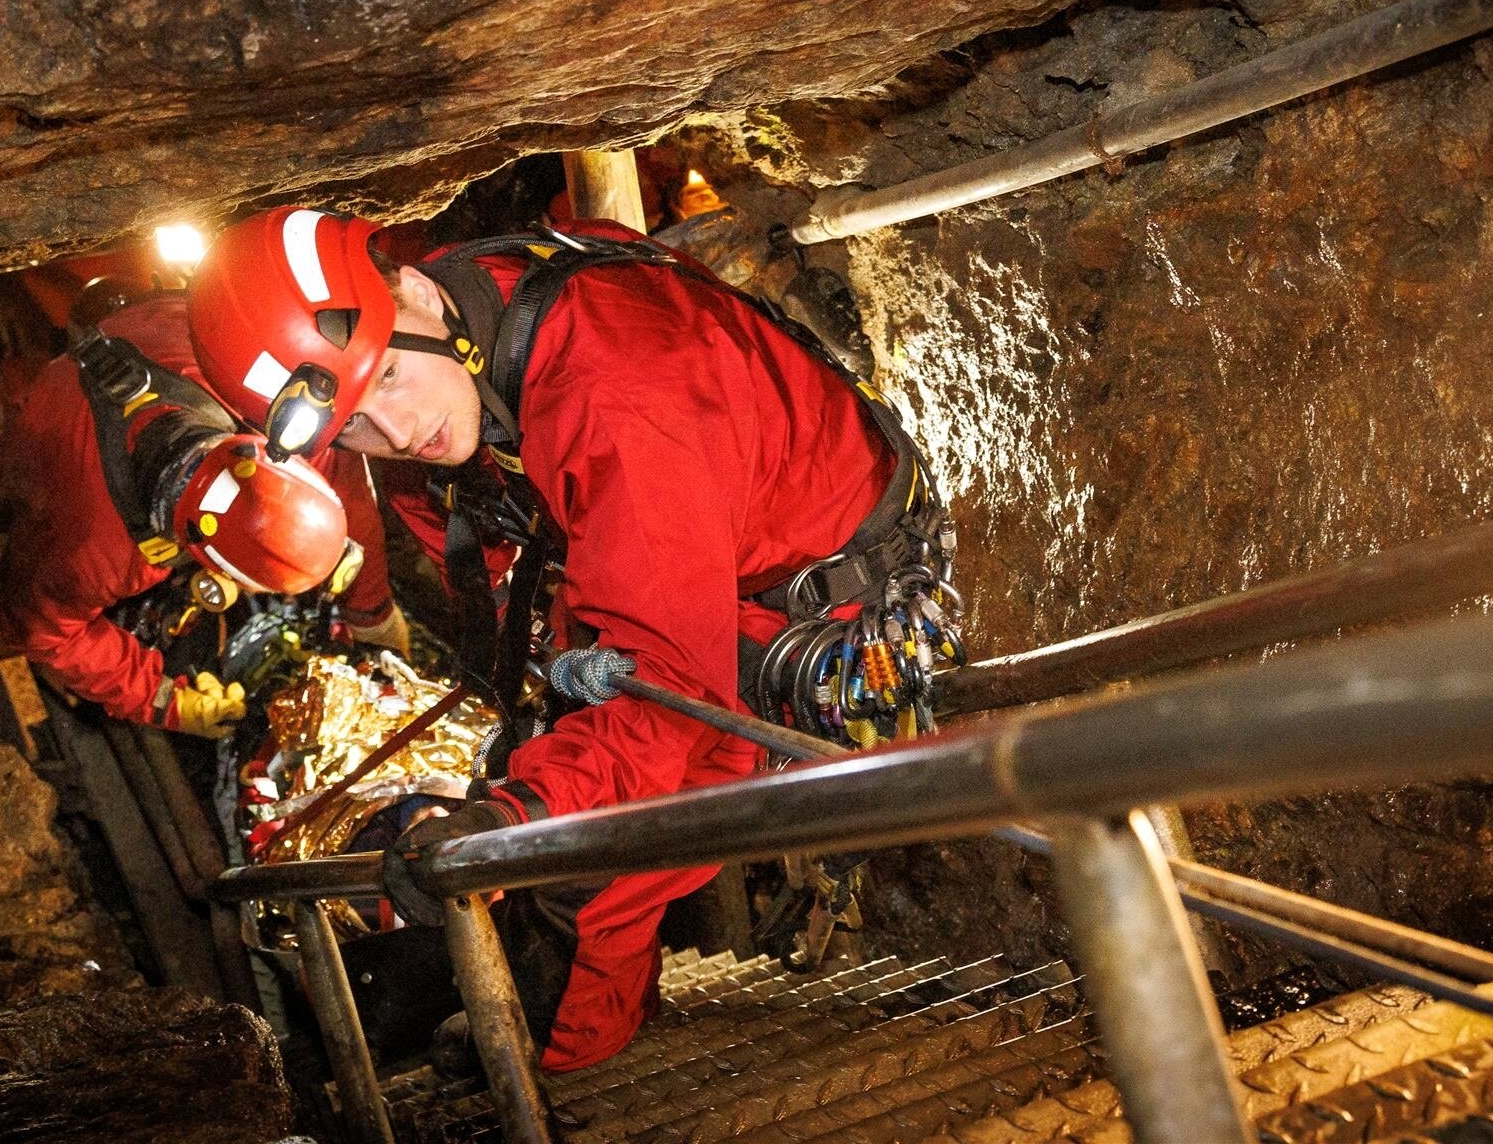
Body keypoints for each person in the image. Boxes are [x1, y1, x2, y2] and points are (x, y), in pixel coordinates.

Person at [187, 206, 958, 1070]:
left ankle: (566, 1065)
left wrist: (519, 815)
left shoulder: (616, 397)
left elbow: (666, 688)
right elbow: (505, 543)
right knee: (550, 764)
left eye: (392, 378)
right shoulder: (471, 310)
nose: (399, 433)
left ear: (407, 290)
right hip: (697, 570)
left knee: (585, 855)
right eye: (357, 422)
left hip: (808, 616)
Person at [0, 289, 410, 736]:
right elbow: (41, 631)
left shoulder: (260, 392)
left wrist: (373, 610)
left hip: (142, 317)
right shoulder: (94, 552)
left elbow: (340, 474)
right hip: (43, 426)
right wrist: (163, 700)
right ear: (212, 572)